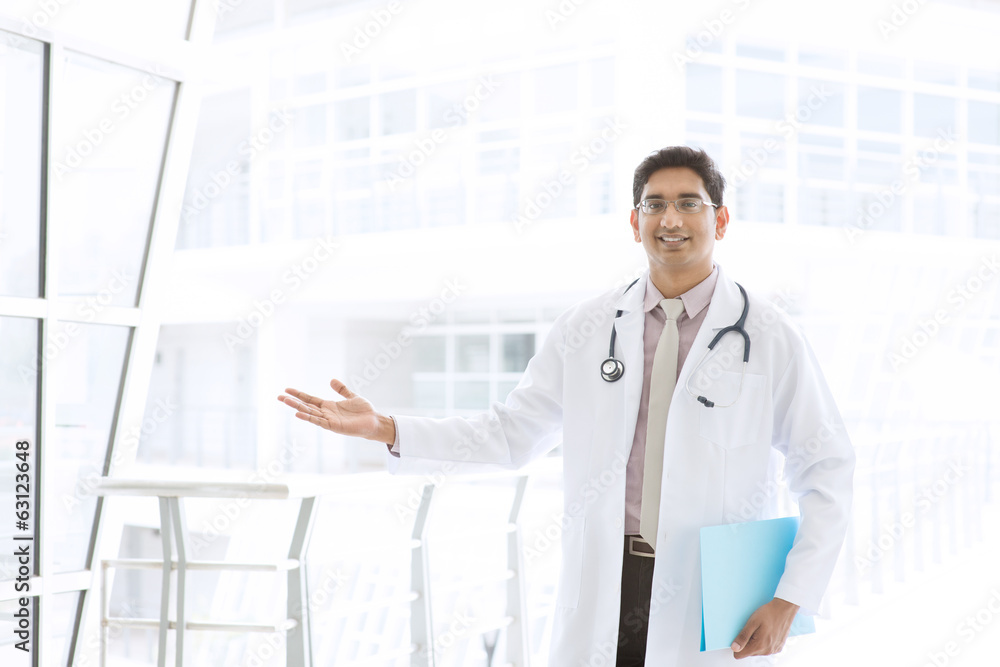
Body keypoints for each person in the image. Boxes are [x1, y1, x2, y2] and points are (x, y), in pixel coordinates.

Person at [278, 146, 855, 666]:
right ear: (635, 223)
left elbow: (826, 467)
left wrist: (790, 596)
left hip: (710, 588)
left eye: (689, 203)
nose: (671, 219)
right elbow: (510, 434)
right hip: (606, 575)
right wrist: (386, 427)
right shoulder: (587, 327)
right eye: (654, 204)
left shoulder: (769, 337)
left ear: (720, 219)